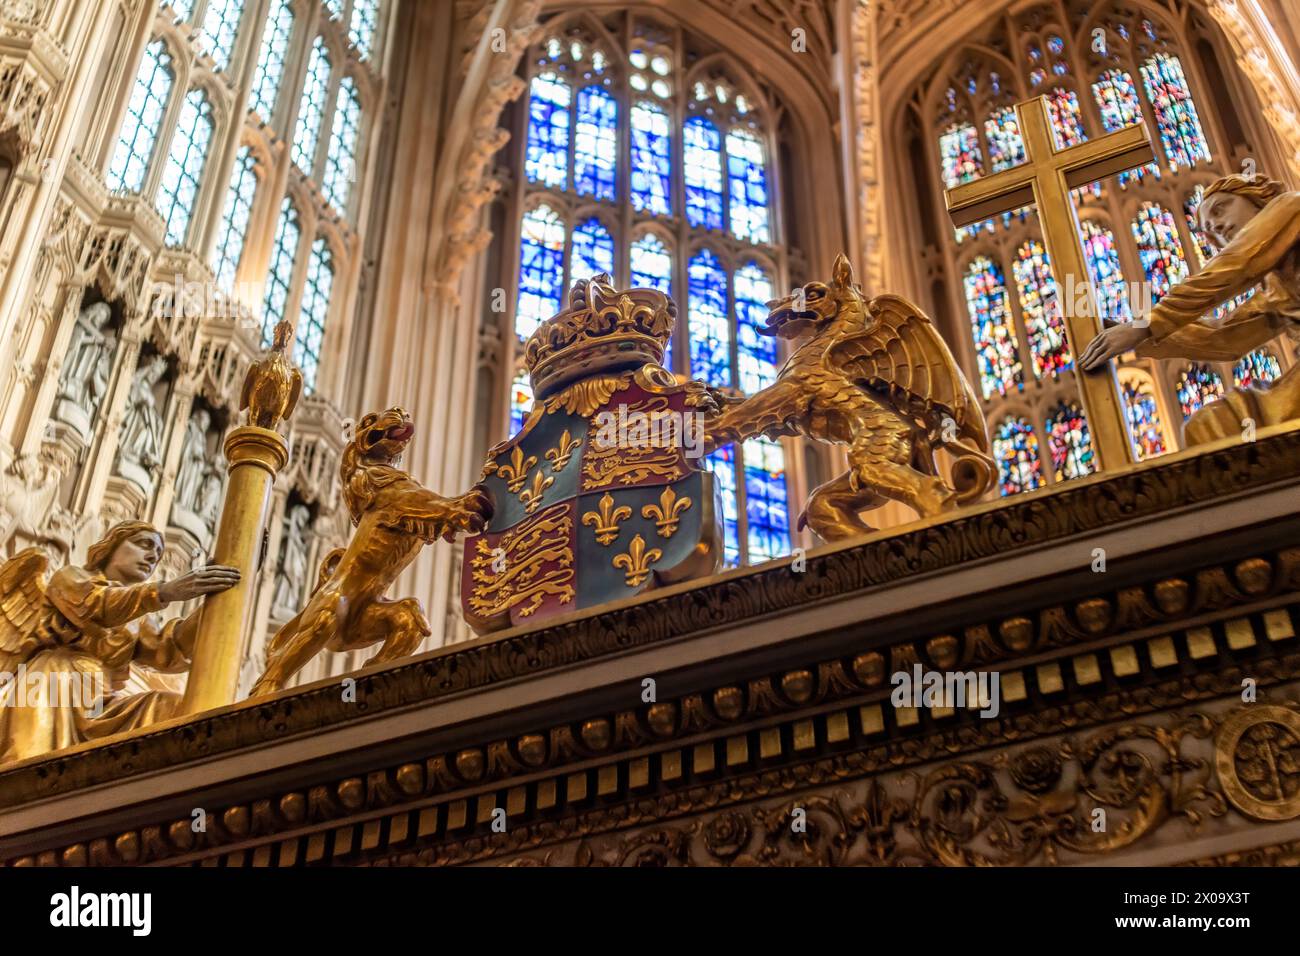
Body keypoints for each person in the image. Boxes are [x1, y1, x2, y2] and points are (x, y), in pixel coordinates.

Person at [1080, 172, 1300, 443]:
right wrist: (1129, 333)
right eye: (1210, 229)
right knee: (1210, 428)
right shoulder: (1277, 287)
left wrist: (1148, 325)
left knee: (1227, 430)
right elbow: (1225, 337)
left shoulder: (1291, 206)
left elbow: (1238, 265)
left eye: (1221, 209)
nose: (1217, 227)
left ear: (1256, 197)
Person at [0, 521, 239, 762]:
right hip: (55, 681)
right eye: (144, 544)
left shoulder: (138, 619)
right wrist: (164, 592)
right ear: (111, 546)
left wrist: (217, 596)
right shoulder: (72, 578)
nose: (151, 556)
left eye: (157, 555)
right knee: (30, 760)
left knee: (173, 708)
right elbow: (96, 606)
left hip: (102, 704)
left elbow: (169, 649)